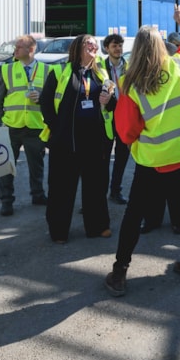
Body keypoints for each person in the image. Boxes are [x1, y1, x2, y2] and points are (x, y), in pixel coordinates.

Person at [105, 5, 180, 297]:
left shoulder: (129, 84)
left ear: (135, 50)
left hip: (157, 161)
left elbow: (126, 132)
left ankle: (120, 271)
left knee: (134, 213)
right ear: (164, 46)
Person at [40, 34, 115, 243]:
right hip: (66, 141)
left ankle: (98, 226)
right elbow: (46, 104)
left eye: (94, 43)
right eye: (88, 43)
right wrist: (57, 130)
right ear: (77, 48)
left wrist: (109, 100)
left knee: (96, 186)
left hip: (96, 140)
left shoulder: (102, 74)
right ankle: (58, 231)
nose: (93, 46)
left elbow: (113, 103)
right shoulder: (59, 71)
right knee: (62, 188)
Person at [0, 35, 48, 216]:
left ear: (31, 50)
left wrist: (42, 99)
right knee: (6, 166)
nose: (14, 50)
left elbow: (54, 99)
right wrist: (2, 121)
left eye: (18, 47)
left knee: (37, 164)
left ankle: (38, 195)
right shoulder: (7, 70)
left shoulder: (47, 70)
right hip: (12, 126)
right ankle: (6, 201)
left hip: (35, 126)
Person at [99, 34, 131, 205]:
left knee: (122, 157)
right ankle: (99, 194)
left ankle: (115, 190)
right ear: (106, 48)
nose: (118, 49)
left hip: (123, 118)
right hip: (105, 119)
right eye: (114, 46)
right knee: (102, 159)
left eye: (120, 46)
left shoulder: (129, 68)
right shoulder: (99, 68)